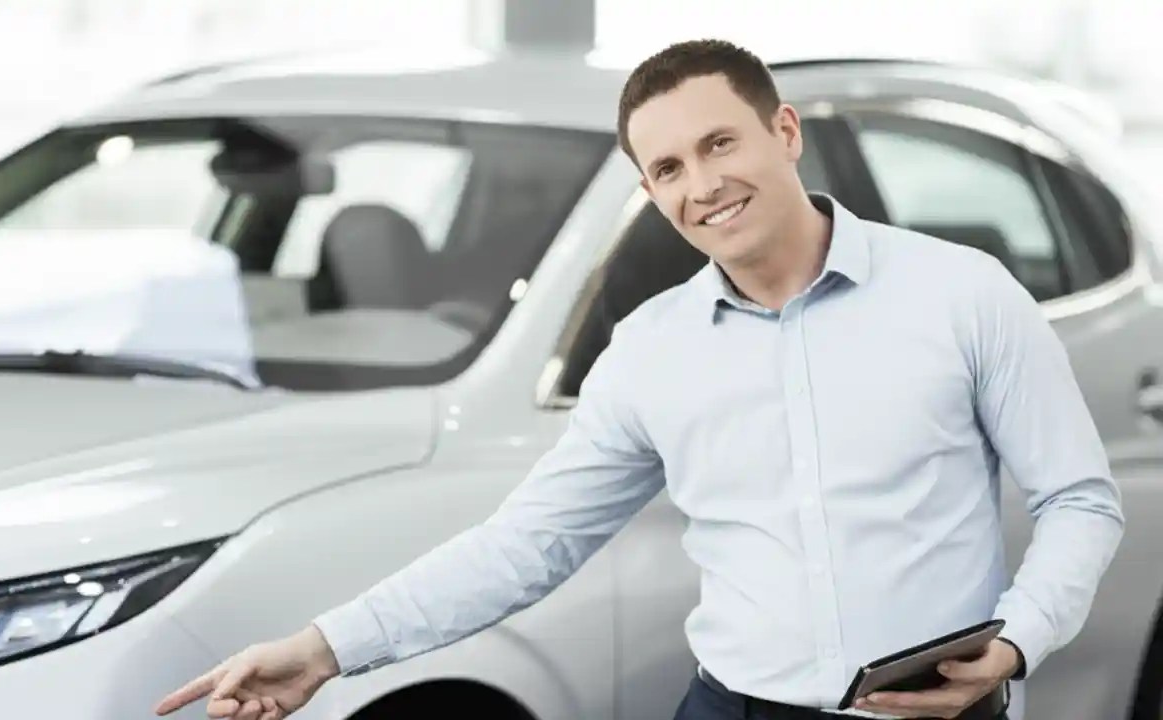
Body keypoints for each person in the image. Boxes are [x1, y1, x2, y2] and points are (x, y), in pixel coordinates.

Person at [153, 39, 1124, 720]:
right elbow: (525, 545)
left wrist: (1011, 646)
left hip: (933, 715)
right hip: (728, 709)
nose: (699, 186)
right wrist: (324, 649)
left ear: (781, 132)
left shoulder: (960, 294)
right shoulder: (651, 351)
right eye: (664, 169)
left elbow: (1078, 501)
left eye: (717, 144)